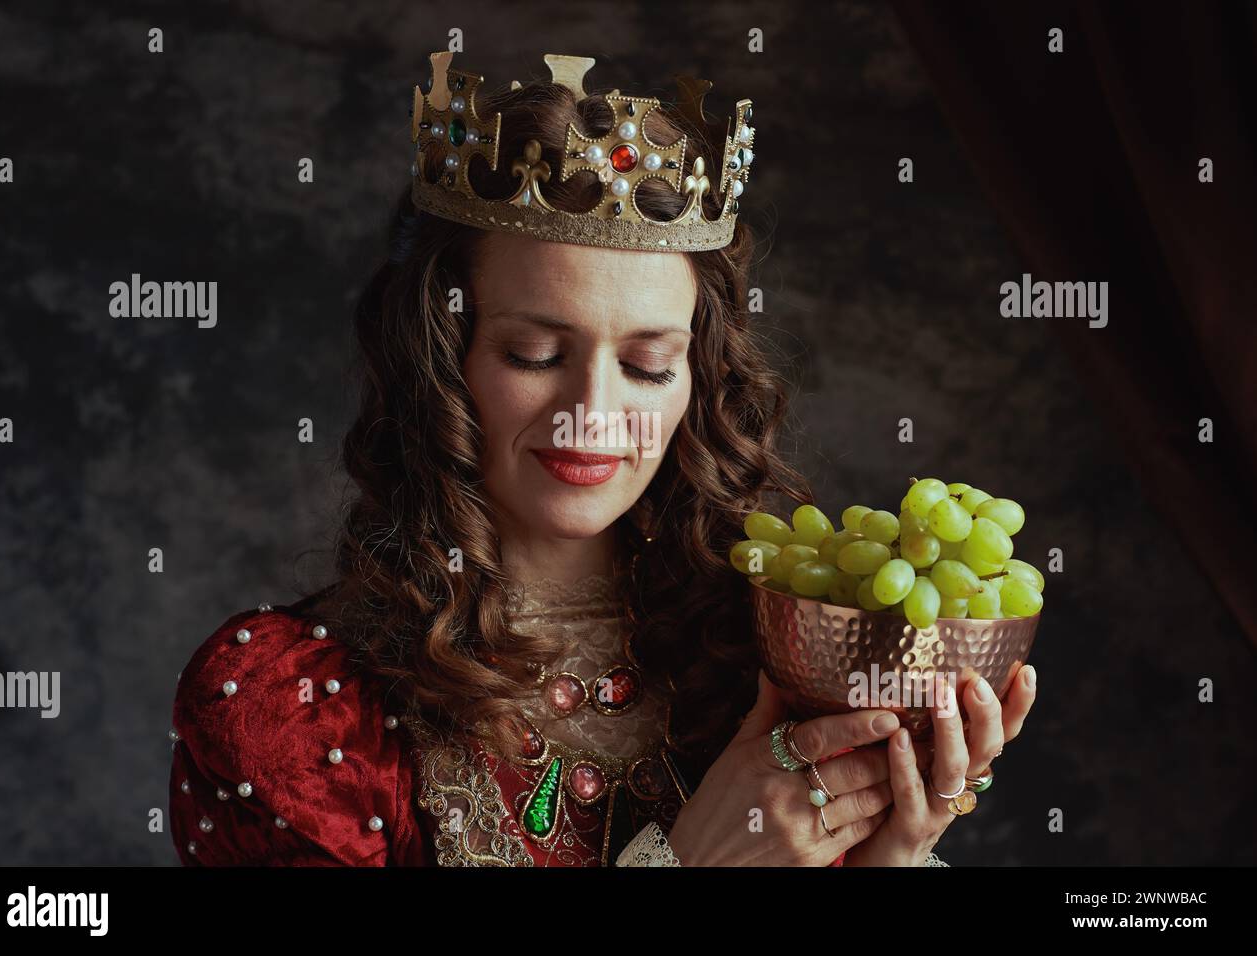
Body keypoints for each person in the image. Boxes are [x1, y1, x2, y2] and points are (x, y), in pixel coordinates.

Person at [168, 50, 1037, 867]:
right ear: (441, 359)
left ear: (696, 378)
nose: (595, 415)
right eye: (536, 355)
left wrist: (886, 859)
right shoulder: (293, 710)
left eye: (646, 366)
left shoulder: (780, 654)